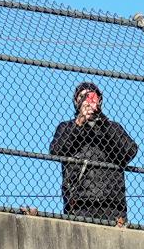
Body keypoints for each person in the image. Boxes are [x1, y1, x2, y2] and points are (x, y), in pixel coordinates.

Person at [49, 81, 137, 223]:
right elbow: (56, 150)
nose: (86, 100)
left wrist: (103, 122)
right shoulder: (66, 126)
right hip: (79, 202)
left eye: (90, 96)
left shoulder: (112, 127)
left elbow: (129, 151)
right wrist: (79, 123)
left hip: (113, 204)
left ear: (99, 100)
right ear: (76, 102)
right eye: (82, 97)